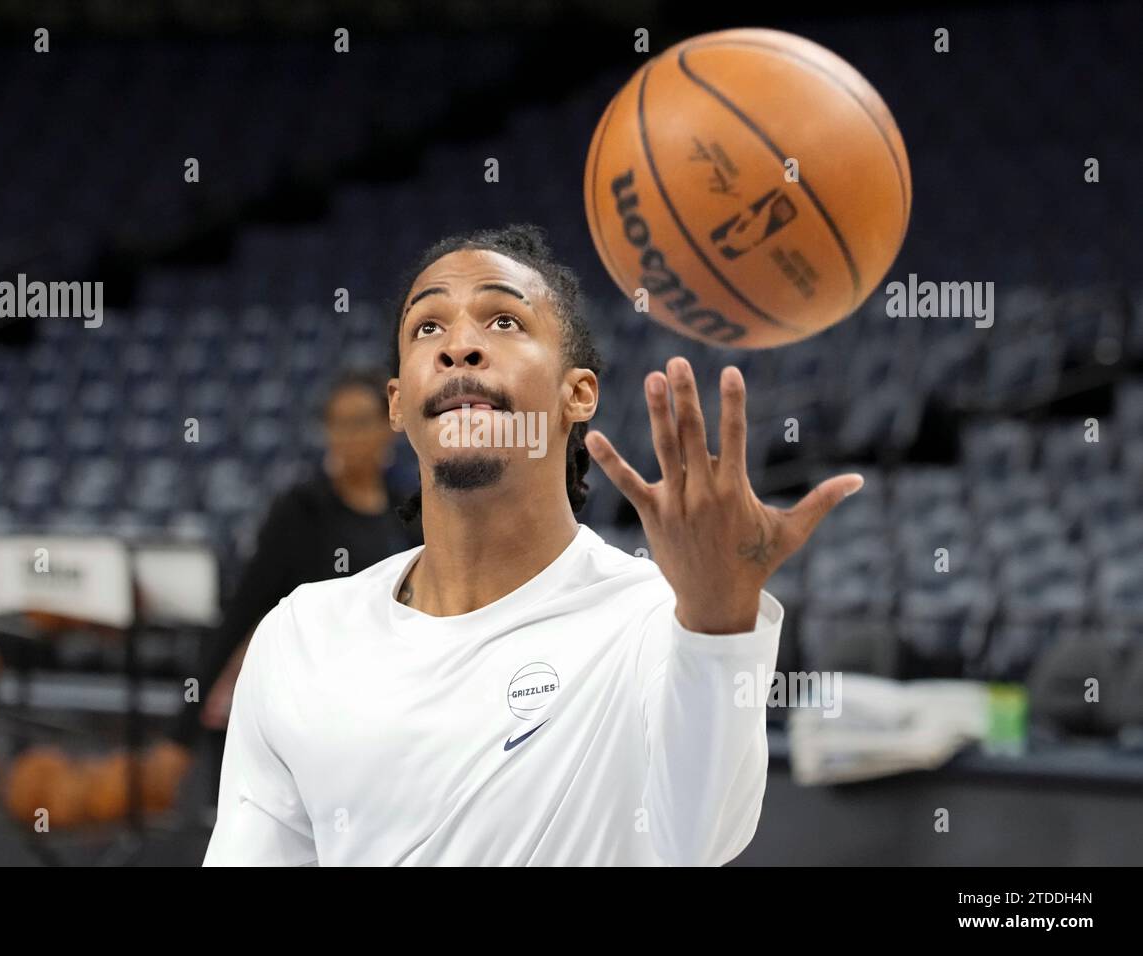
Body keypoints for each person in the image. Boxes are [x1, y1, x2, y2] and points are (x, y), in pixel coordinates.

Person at [203, 224, 861, 866]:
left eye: (503, 322)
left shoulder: (655, 619)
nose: (458, 346)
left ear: (577, 393)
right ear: (398, 405)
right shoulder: (300, 635)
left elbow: (700, 839)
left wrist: (718, 615)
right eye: (428, 326)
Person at [146, 369, 420, 796]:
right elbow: (241, 612)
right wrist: (181, 735)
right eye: (338, 424)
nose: (350, 437)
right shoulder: (301, 512)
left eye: (362, 422)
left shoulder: (407, 512)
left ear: (389, 428)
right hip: (307, 710)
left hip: (386, 709)